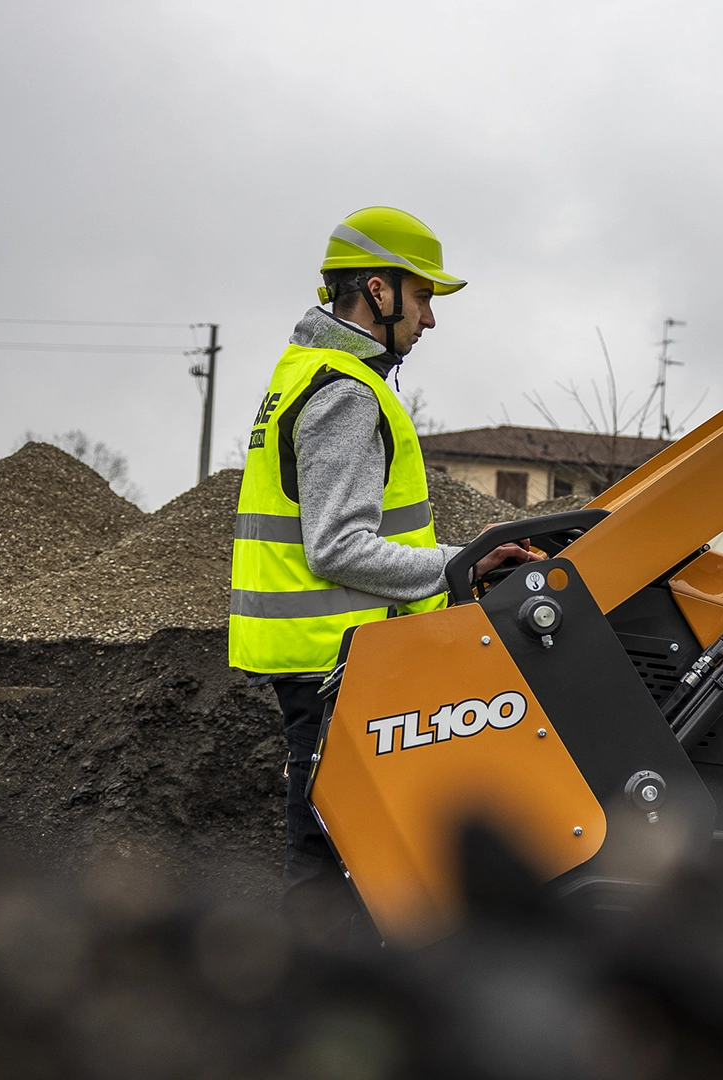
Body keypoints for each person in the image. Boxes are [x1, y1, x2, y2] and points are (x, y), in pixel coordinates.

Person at [227, 207, 539, 940]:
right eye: (423, 297)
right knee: (331, 857)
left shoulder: (306, 372)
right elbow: (338, 546)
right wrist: (457, 566)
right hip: (338, 666)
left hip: (329, 662)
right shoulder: (345, 392)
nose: (430, 320)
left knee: (339, 852)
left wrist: (460, 559)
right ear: (377, 290)